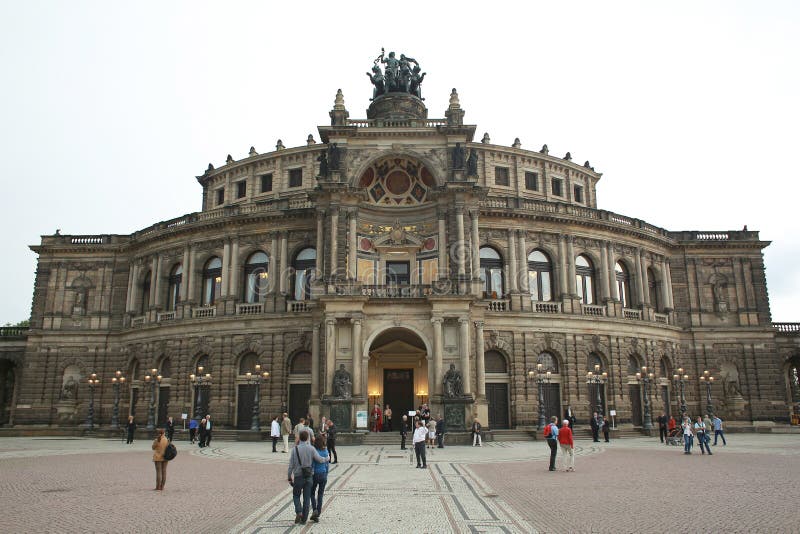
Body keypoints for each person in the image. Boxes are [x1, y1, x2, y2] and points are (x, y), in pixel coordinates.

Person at [288, 429, 330, 524]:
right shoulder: (311, 448)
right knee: (307, 497)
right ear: (307, 438)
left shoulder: (295, 449)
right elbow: (319, 460)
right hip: (309, 476)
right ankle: (304, 520)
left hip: (298, 476)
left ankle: (299, 511)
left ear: (299, 438)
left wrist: (289, 477)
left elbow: (291, 465)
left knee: (296, 495)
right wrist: (327, 458)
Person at [310, 434, 329, 523]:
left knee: (312, 493)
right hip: (323, 474)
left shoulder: (314, 451)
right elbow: (327, 464)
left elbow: (312, 464)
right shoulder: (325, 451)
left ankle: (315, 510)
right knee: (320, 494)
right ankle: (318, 512)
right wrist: (326, 473)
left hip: (315, 475)